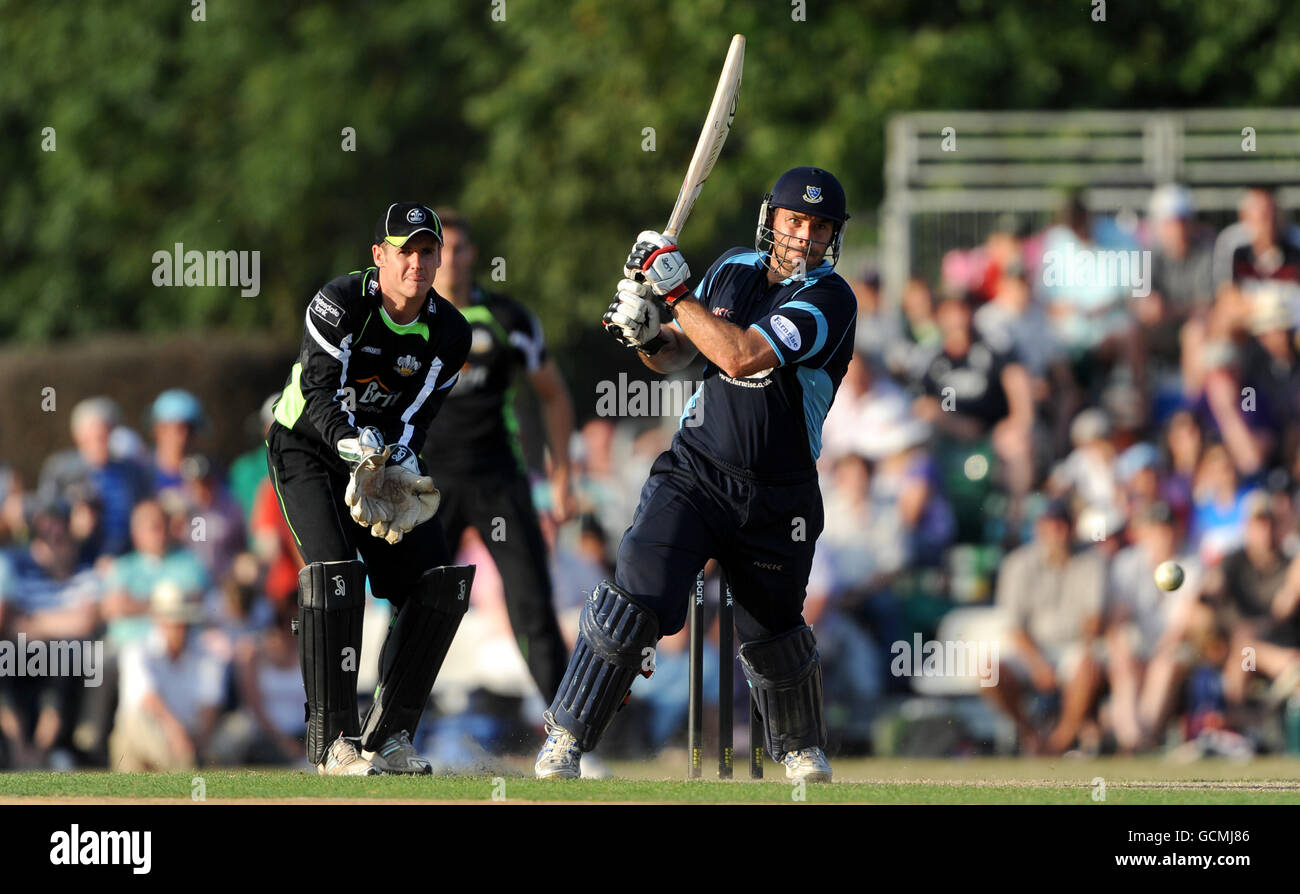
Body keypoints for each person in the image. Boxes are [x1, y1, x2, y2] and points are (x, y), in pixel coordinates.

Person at [533, 167, 858, 782]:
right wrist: (648, 331)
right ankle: (567, 738)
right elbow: (682, 351)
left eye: (819, 227)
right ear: (772, 220)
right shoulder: (733, 266)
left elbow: (741, 356)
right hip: (697, 471)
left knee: (773, 628)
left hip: (777, 492)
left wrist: (677, 292)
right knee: (638, 592)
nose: (804, 236)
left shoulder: (831, 297)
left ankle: (797, 747)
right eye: (795, 221)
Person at [266, 202, 474, 776]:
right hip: (305, 449)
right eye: (404, 251)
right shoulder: (338, 303)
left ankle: (391, 736)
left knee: (437, 584)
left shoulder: (452, 333)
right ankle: (333, 743)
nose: (416, 263)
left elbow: (417, 417)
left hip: (378, 466)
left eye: (427, 252)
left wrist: (397, 463)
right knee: (334, 575)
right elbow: (319, 394)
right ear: (379, 255)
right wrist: (355, 452)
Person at [421, 209, 576, 704]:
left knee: (532, 604)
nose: (448, 261)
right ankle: (390, 734)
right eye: (436, 251)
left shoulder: (508, 319)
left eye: (457, 248)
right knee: (417, 607)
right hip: (426, 484)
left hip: (498, 481)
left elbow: (553, 395)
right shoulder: (404, 322)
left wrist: (563, 477)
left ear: (472, 255)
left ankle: (567, 736)